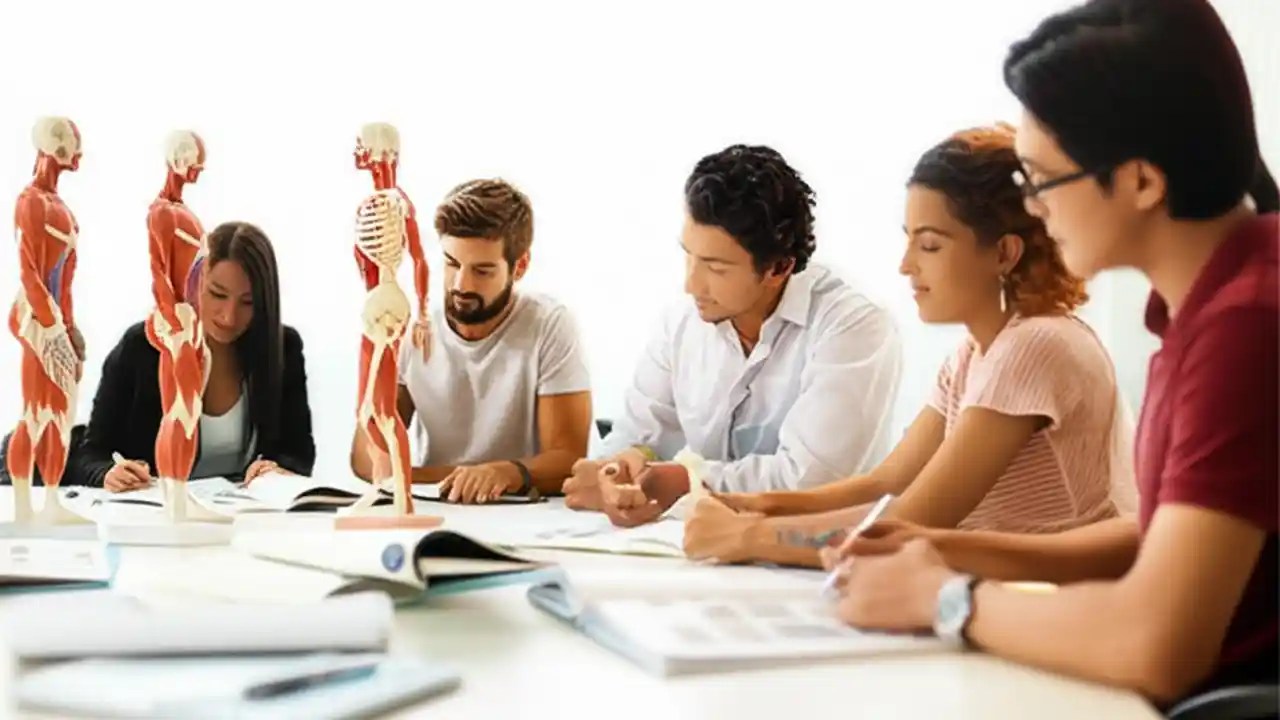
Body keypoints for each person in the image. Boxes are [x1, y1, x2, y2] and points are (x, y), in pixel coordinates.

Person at [828, 0, 1278, 706]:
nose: (1033, 208)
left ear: (1141, 181)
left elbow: (1157, 645)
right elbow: (1159, 540)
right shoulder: (1212, 302)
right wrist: (940, 550)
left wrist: (947, 599)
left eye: (1040, 180)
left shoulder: (1248, 325)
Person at [683, 125, 1134, 567]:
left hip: (1068, 599)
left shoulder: (1034, 346)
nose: (905, 265)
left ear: (1003, 254)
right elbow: (885, 483)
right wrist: (745, 505)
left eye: (930, 245)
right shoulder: (972, 356)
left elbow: (911, 520)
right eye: (909, 240)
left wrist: (748, 536)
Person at [563, 143, 902, 523]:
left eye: (716, 267)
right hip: (697, 542)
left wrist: (684, 481)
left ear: (778, 268)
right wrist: (618, 470)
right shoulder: (682, 322)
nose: (691, 284)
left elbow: (811, 478)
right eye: (689, 256)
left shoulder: (853, 327)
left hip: (814, 547)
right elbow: (640, 435)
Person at [349, 178, 592, 504]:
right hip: (437, 505)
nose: (461, 285)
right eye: (452, 264)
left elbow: (568, 460)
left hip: (521, 512)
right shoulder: (409, 325)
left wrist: (504, 474)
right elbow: (366, 458)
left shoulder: (549, 325)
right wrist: (455, 478)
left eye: (482, 271)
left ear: (520, 266)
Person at [70, 221, 316, 490]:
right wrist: (107, 473)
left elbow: (300, 455)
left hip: (242, 510)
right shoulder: (143, 346)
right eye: (217, 294)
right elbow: (89, 454)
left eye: (248, 302)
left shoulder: (284, 348)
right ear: (195, 282)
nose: (229, 316)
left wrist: (275, 470)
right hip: (158, 508)